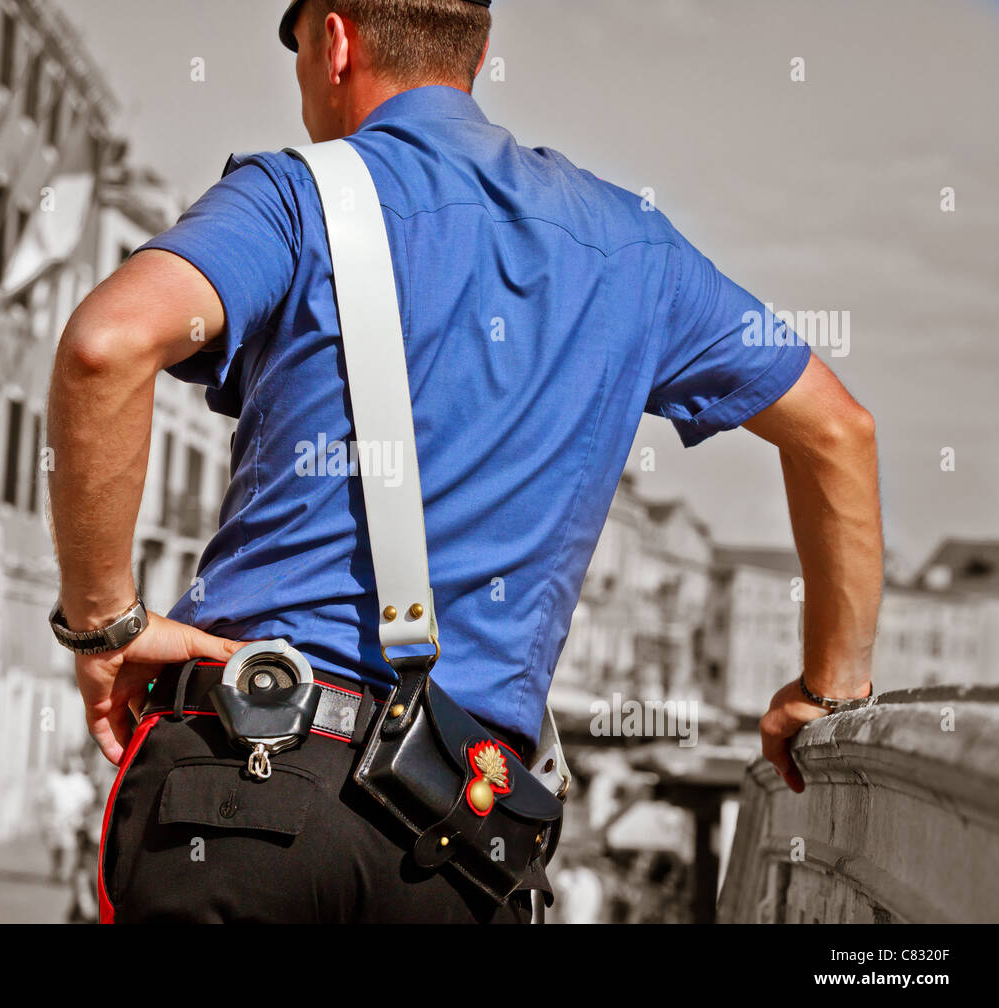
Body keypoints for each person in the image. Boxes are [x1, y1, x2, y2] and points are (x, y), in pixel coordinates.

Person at [46, 0, 881, 922]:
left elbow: (106, 344)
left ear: (334, 43)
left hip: (244, 796)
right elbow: (839, 432)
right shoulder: (635, 249)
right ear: (479, 50)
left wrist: (103, 625)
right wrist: (826, 688)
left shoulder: (292, 198)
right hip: (455, 839)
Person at [40, 754, 96, 882]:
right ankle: (56, 869)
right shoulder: (53, 779)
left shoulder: (81, 780)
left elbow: (88, 800)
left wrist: (80, 814)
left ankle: (65, 871)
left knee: (68, 846)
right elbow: (43, 798)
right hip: (54, 818)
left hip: (73, 819)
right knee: (55, 847)